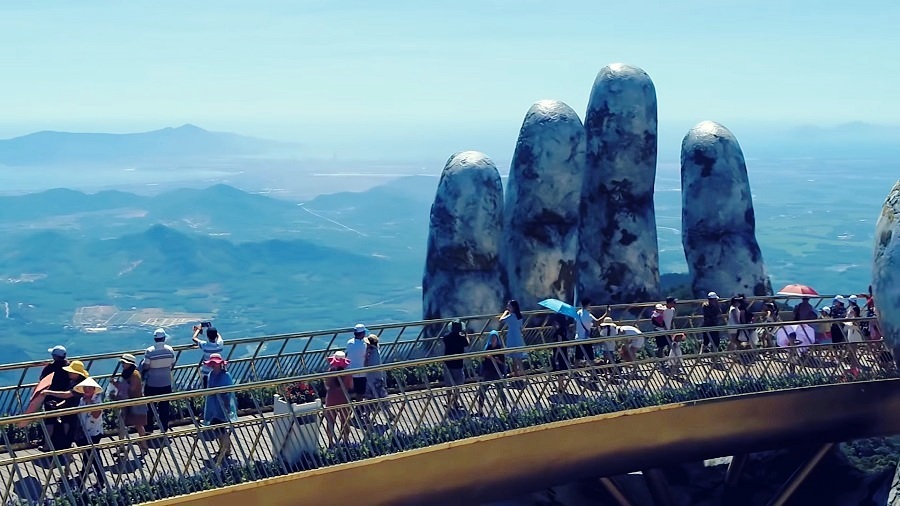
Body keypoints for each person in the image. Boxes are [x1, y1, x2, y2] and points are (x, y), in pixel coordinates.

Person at [41, 360, 90, 452]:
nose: (68, 373)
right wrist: (58, 405)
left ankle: (68, 449)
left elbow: (67, 395)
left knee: (71, 432)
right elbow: (69, 399)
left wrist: (48, 392)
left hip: (75, 413)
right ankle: (66, 449)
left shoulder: (80, 385)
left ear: (77, 374)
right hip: (71, 410)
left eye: (71, 372)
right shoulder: (73, 382)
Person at [202, 353, 237, 465]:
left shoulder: (225, 375)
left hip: (222, 405)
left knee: (221, 428)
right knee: (217, 428)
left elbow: (228, 393)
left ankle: (225, 449)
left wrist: (227, 406)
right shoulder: (211, 374)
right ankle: (224, 448)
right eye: (212, 363)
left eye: (215, 363)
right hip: (214, 405)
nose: (213, 365)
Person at [113, 354, 148, 458]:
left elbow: (131, 389)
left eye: (124, 363)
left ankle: (143, 445)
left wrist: (117, 385)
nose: (123, 364)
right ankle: (122, 447)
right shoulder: (127, 373)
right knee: (122, 425)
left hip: (135, 402)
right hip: (127, 402)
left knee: (138, 425)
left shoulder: (134, 375)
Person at [141, 328, 176, 433]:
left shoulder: (150, 351)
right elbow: (173, 363)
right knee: (164, 407)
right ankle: (164, 428)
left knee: (150, 407)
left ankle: (149, 429)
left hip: (152, 383)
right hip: (166, 382)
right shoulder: (170, 350)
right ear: (164, 338)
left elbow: (146, 366)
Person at [38, 345, 70, 451]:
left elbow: (42, 380)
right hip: (66, 394)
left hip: (50, 395)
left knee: (50, 420)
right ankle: (67, 444)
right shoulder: (69, 367)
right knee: (66, 418)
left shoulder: (49, 368)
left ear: (55, 357)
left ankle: (47, 445)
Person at [324, 351, 353, 447]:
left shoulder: (330, 372)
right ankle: (345, 440)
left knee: (330, 421)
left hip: (331, 398)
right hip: (344, 397)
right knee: (345, 420)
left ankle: (331, 442)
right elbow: (351, 386)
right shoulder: (347, 373)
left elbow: (327, 385)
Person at [363, 335, 394, 423]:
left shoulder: (371, 353)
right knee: (376, 398)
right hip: (376, 378)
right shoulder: (376, 351)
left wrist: (365, 357)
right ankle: (368, 415)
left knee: (374, 398)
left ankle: (369, 415)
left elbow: (366, 365)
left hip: (372, 379)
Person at [476, 331, 508, 415]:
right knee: (482, 390)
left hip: (497, 372)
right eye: (492, 338)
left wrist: (494, 359)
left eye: (495, 338)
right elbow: (483, 359)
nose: (493, 340)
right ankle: (480, 410)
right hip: (488, 372)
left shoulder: (499, 348)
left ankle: (505, 408)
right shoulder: (488, 347)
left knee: (500, 391)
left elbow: (502, 362)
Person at [441, 319, 469, 411]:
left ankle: (449, 401)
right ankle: (455, 402)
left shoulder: (447, 337)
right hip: (458, 364)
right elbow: (467, 343)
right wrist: (465, 334)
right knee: (458, 384)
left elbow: (444, 339)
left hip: (448, 363)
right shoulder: (462, 339)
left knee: (448, 384)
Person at [499, 300, 526, 378]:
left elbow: (501, 320)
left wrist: (505, 313)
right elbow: (521, 327)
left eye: (509, 306)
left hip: (512, 336)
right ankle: (522, 374)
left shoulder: (510, 316)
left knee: (514, 357)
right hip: (518, 336)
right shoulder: (519, 317)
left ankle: (516, 374)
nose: (508, 308)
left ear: (513, 307)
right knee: (519, 358)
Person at [193, 324, 224, 389]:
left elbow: (194, 338)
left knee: (207, 391)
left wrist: (198, 329)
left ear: (207, 336)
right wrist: (211, 328)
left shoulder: (205, 345)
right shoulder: (220, 345)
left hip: (206, 373)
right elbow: (219, 337)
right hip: (218, 372)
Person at [345, 324, 369, 403]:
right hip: (361, 372)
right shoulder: (364, 345)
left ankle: (348, 409)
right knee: (360, 392)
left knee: (349, 391)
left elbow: (346, 354)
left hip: (350, 371)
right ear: (362, 334)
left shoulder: (349, 343)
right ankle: (359, 409)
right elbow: (366, 356)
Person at [549, 314, 571, 392]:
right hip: (564, 352)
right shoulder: (564, 330)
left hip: (559, 353)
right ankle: (561, 385)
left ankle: (560, 387)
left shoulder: (559, 332)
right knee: (562, 370)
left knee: (559, 371)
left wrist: (556, 355)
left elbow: (559, 343)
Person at [575, 298, 599, 365]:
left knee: (578, 357)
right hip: (586, 338)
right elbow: (597, 322)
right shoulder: (589, 315)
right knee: (591, 358)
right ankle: (592, 373)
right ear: (588, 305)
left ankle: (573, 373)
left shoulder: (578, 313)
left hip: (578, 337)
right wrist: (606, 313)